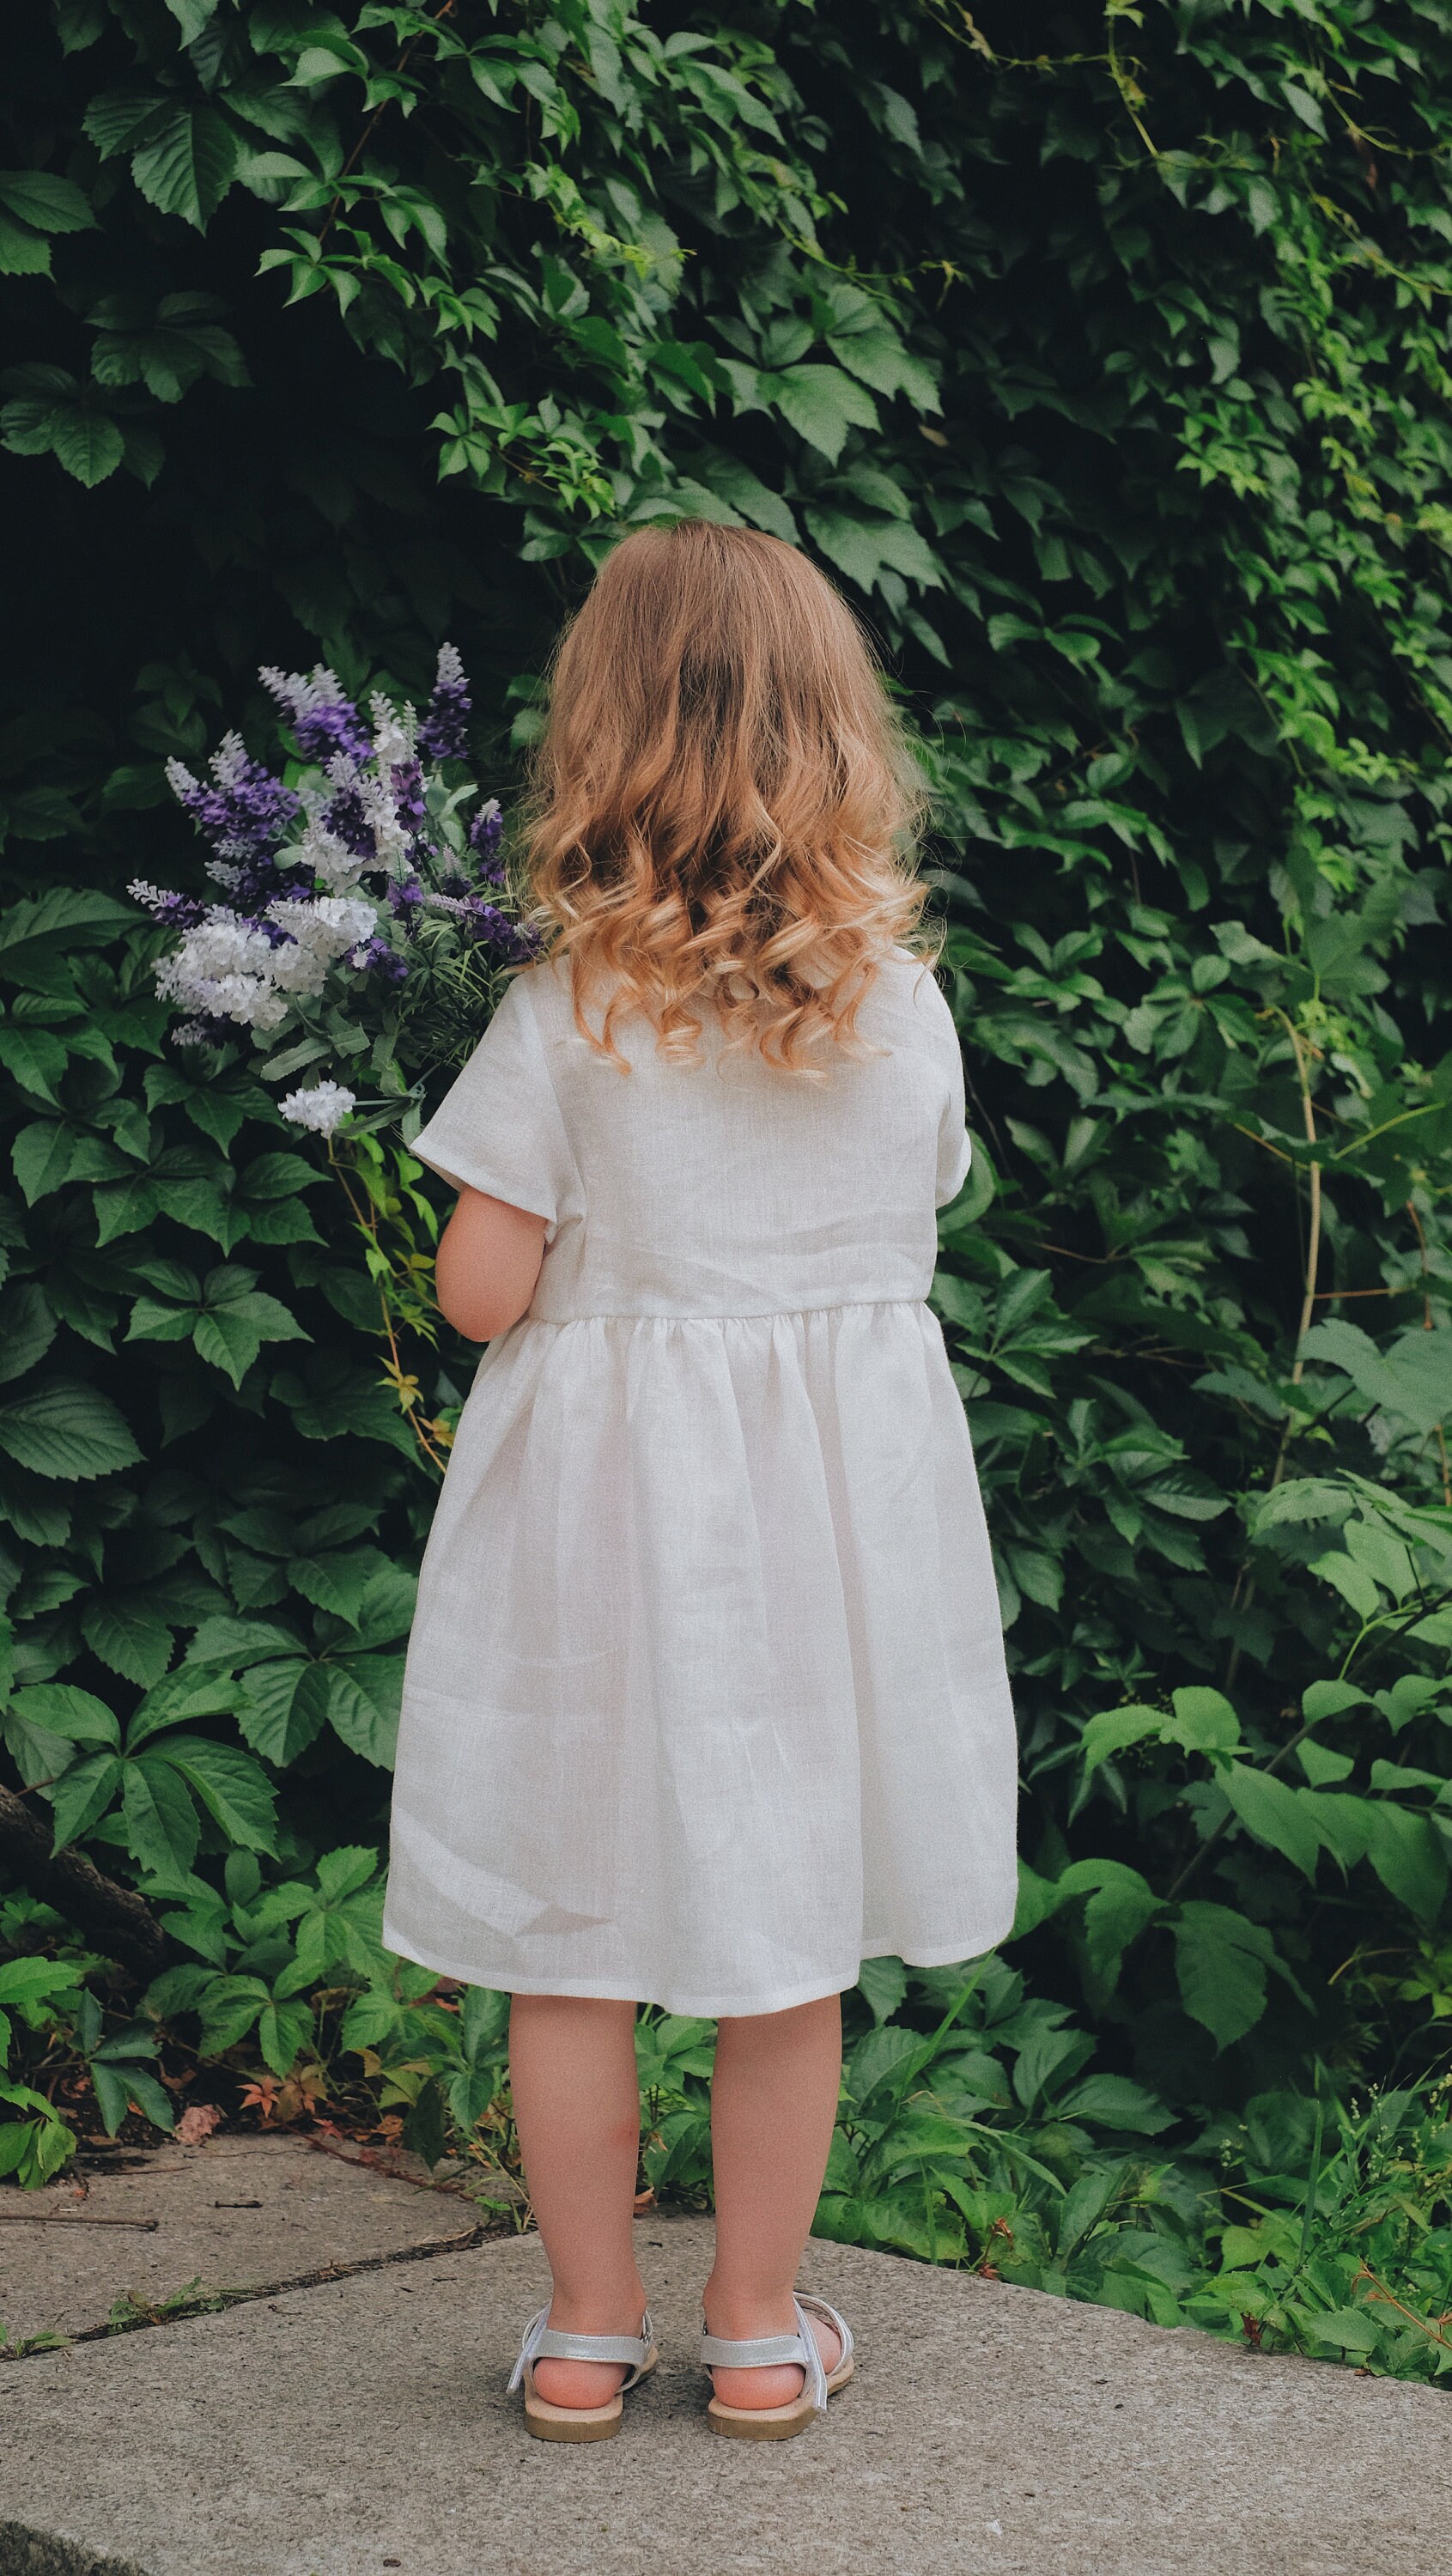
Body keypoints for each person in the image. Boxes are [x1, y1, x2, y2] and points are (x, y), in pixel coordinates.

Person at [382, 519, 1018, 2443]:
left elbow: (481, 1293)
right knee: (784, 1939)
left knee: (570, 1935)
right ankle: (754, 2332)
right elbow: (917, 1204)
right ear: (839, 742)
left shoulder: (565, 1013)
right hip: (828, 1540)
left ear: (603, 740)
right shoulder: (901, 1008)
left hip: (599, 1533)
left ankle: (589, 2330)